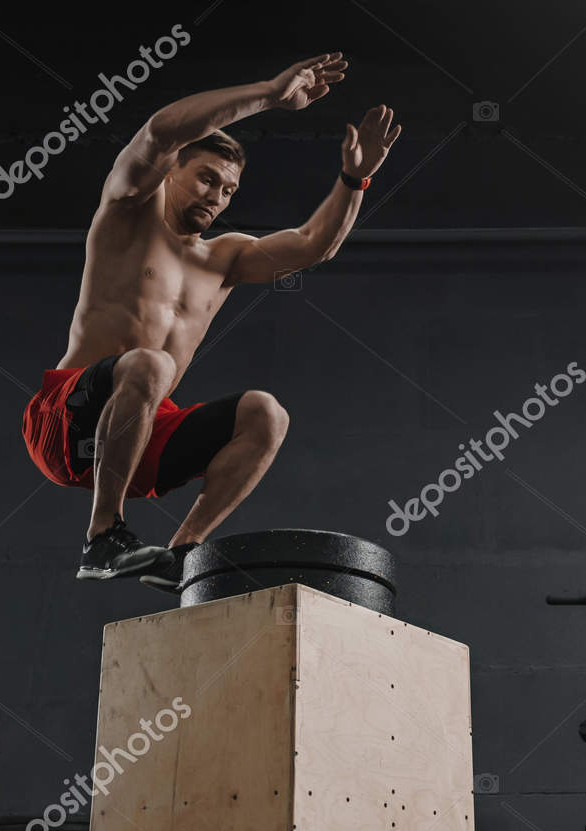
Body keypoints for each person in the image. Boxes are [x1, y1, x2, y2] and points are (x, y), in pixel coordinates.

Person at [21, 52, 402, 588]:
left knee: (266, 414)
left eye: (227, 191)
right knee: (150, 364)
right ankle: (102, 539)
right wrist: (270, 93)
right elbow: (158, 130)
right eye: (205, 180)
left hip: (138, 435)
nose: (216, 197)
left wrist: (353, 180)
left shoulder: (224, 258)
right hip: (65, 424)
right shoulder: (129, 211)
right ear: (172, 171)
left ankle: (181, 556)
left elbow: (314, 246)